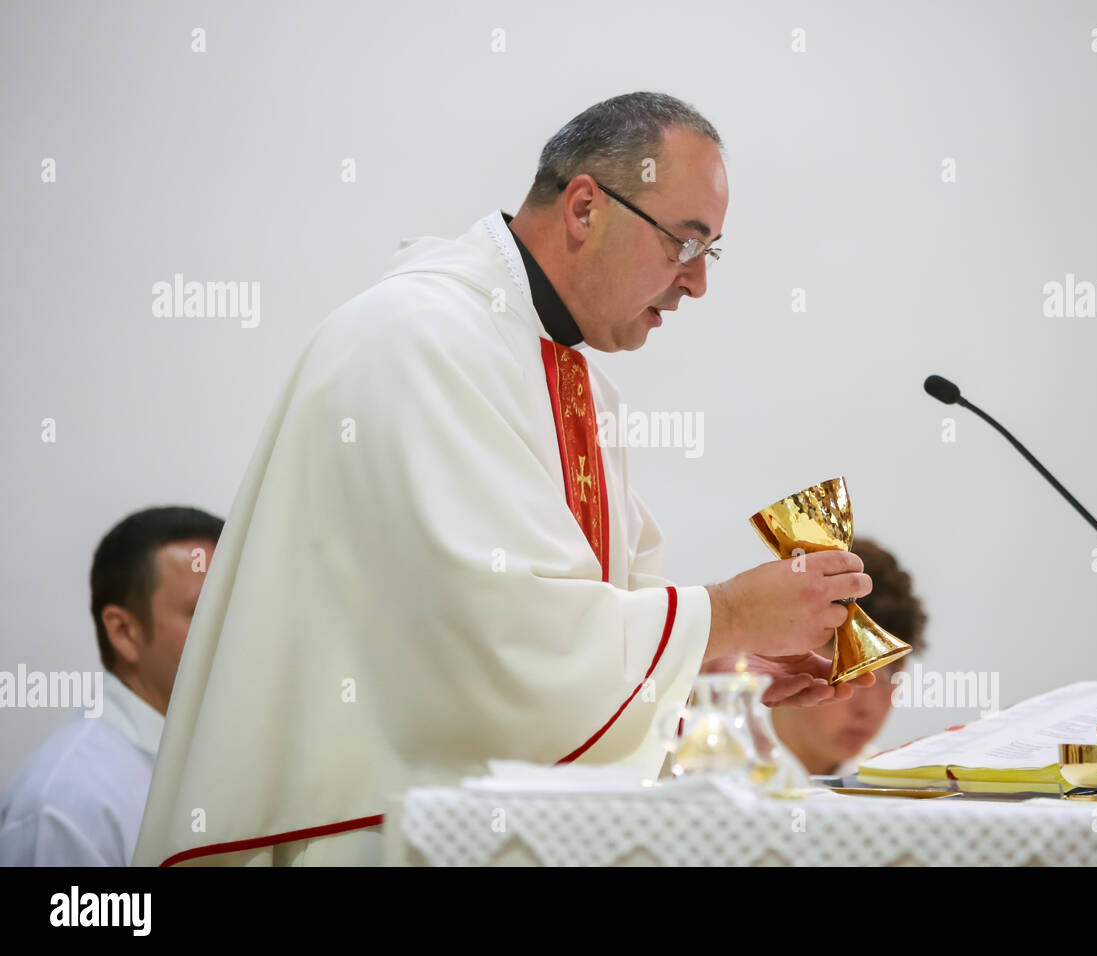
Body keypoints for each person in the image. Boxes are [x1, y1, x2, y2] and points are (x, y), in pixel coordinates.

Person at [133, 91, 874, 868]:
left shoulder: (565, 374)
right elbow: (489, 641)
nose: (696, 285)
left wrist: (709, 665)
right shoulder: (418, 341)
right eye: (684, 245)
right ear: (585, 207)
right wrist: (722, 616)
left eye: (709, 253)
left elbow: (586, 622)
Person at [0, 507, 222, 865]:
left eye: (238, 606)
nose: (234, 628)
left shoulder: (229, 753)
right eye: (206, 610)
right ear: (123, 632)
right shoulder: (66, 805)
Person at [771, 539, 928, 777]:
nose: (868, 709)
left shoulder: (888, 791)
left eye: (892, 674)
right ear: (789, 651)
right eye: (852, 670)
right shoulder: (711, 779)